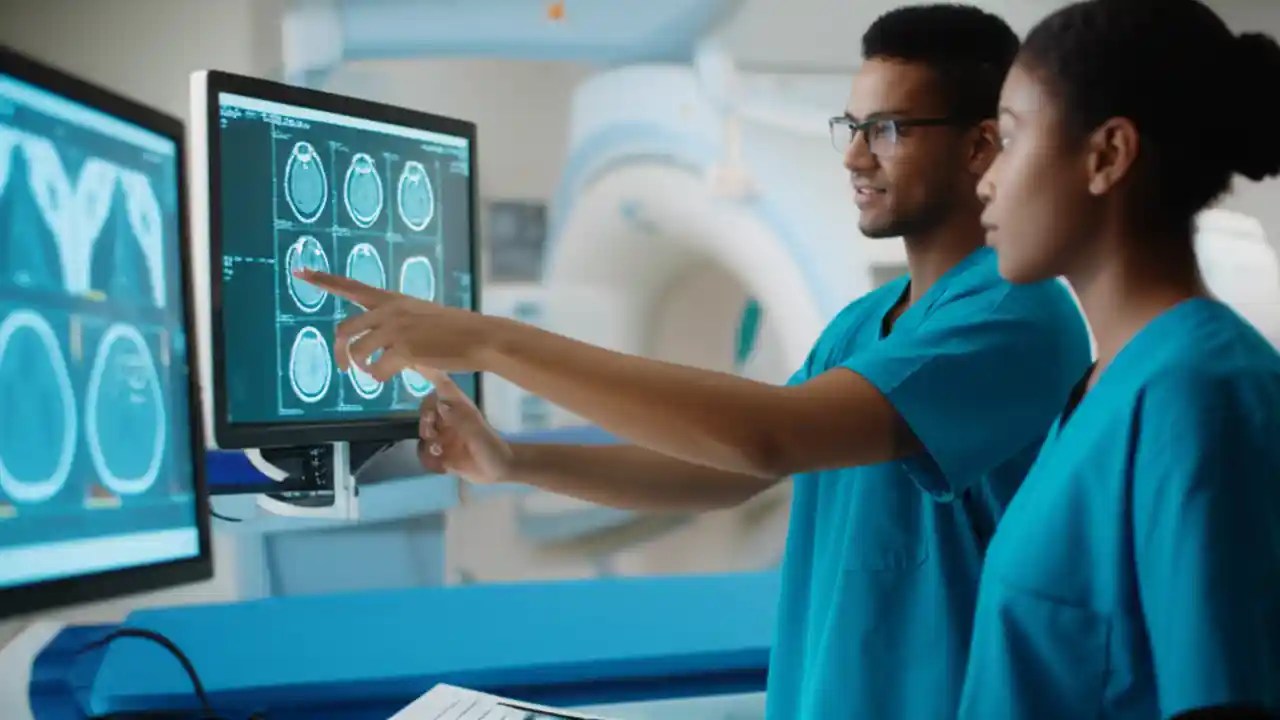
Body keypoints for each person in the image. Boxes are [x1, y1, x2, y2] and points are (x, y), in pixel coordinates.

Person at [298, 5, 1092, 718]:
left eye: (886, 130)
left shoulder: (1014, 314)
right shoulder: (862, 326)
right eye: (848, 127)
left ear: (981, 144)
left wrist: (492, 342)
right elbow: (731, 472)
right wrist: (512, 460)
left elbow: (767, 438)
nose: (853, 158)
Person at [959, 1, 1280, 718]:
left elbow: (1223, 704)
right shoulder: (1108, 383)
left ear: (1106, 155)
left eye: (1009, 138)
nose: (985, 179)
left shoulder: (1197, 392)